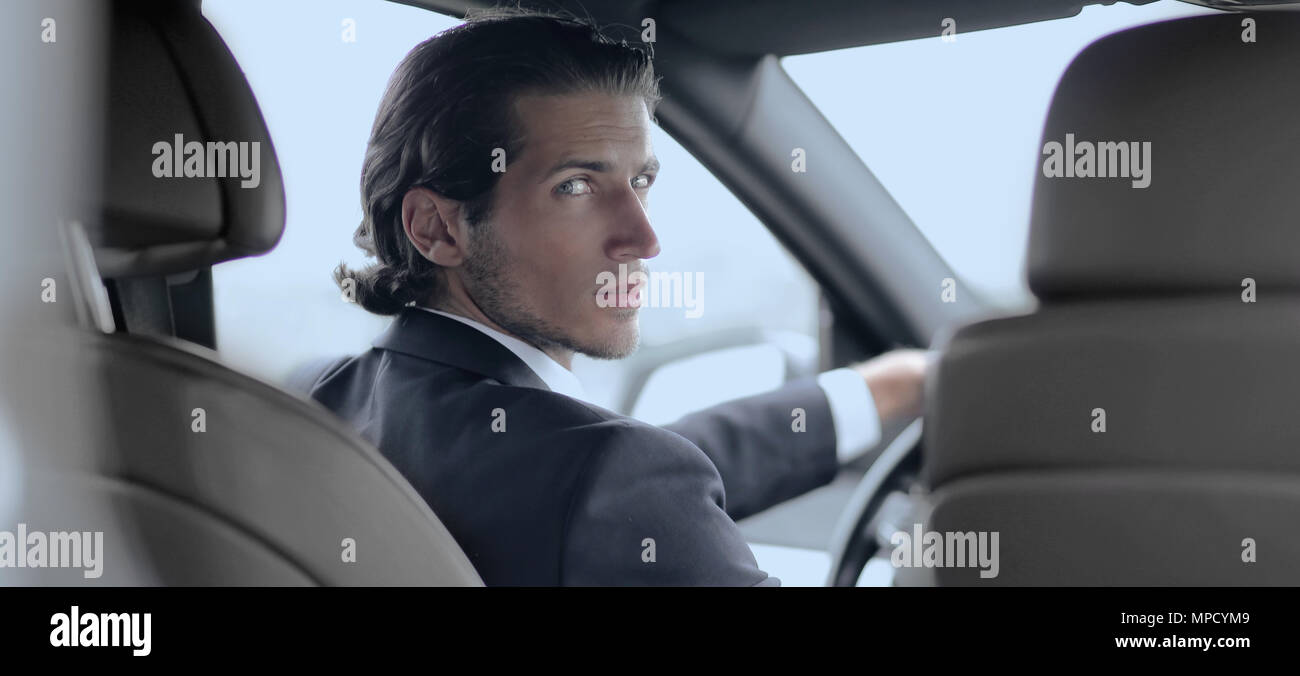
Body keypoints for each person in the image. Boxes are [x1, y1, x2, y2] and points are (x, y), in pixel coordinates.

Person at [308, 9, 927, 585]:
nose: (645, 238)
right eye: (576, 185)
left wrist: (883, 390)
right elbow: (620, 481)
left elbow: (612, 473)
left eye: (640, 182)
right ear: (437, 228)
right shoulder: (613, 478)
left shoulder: (331, 405)